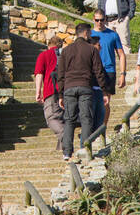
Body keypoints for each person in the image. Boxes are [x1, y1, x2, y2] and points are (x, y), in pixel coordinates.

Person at [57, 22, 105, 161]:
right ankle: (84, 149)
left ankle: (66, 152)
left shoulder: (66, 51)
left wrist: (60, 94)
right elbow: (98, 72)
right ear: (85, 33)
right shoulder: (91, 50)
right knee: (86, 118)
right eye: (89, 33)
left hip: (69, 87)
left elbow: (60, 74)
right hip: (85, 87)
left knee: (69, 120)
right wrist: (105, 91)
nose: (90, 36)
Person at [90, 13, 127, 140]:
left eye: (102, 20)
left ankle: (102, 129)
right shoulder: (89, 35)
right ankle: (93, 128)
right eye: (97, 20)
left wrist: (123, 73)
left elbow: (121, 54)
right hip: (92, 71)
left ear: (106, 20)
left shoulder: (113, 35)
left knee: (105, 102)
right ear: (93, 19)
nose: (99, 22)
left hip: (108, 70)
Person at [33, 35, 67, 151]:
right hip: (68, 91)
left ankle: (66, 139)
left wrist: (38, 92)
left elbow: (39, 74)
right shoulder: (65, 55)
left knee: (52, 118)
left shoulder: (44, 55)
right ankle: (62, 149)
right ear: (60, 45)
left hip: (51, 91)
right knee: (62, 118)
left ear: (49, 45)